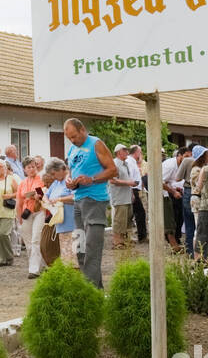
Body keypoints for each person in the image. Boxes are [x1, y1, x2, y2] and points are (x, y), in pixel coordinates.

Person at [63, 117, 116, 288]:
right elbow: (71, 171)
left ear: (82, 130)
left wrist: (92, 179)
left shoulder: (96, 144)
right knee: (80, 248)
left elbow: (112, 170)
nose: (72, 140)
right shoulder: (72, 150)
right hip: (78, 200)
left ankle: (90, 291)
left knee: (92, 248)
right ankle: (95, 290)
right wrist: (69, 181)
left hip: (94, 200)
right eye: (69, 138)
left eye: (74, 136)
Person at [41, 158, 77, 266]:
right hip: (61, 224)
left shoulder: (71, 179)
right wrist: (48, 202)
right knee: (66, 257)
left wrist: (60, 199)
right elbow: (46, 195)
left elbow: (77, 196)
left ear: (62, 169)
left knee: (75, 257)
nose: (52, 177)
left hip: (74, 223)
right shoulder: (56, 182)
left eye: (53, 173)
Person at [18, 157, 47, 277]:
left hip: (39, 210)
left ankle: (34, 270)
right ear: (24, 169)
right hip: (26, 212)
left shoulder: (41, 179)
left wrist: (38, 195)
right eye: (29, 167)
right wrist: (18, 215)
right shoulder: (22, 183)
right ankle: (41, 264)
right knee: (29, 241)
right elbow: (19, 200)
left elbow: (46, 193)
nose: (31, 169)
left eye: (33, 166)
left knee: (36, 239)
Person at [109, 144, 137, 249]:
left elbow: (128, 179)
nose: (127, 152)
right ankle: (117, 242)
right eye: (124, 150)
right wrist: (129, 183)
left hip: (127, 196)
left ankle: (125, 240)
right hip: (119, 197)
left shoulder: (125, 164)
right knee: (119, 220)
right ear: (118, 152)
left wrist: (132, 192)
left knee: (127, 219)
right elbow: (112, 180)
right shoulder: (114, 163)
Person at [128, 145, 148, 242]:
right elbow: (130, 177)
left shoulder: (133, 162)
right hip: (133, 189)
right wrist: (131, 190)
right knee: (139, 213)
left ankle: (141, 235)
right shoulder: (130, 162)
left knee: (138, 213)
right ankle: (141, 236)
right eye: (139, 152)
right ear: (136, 153)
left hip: (136, 189)